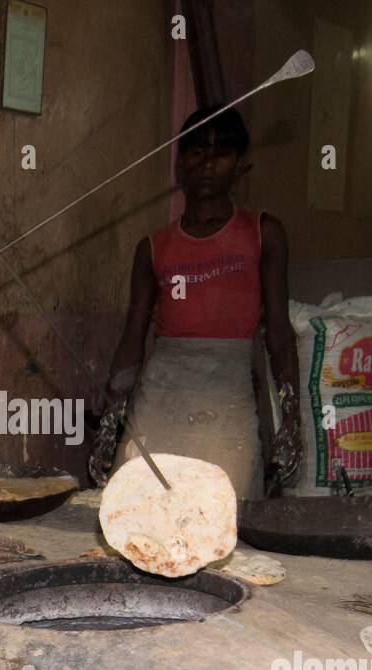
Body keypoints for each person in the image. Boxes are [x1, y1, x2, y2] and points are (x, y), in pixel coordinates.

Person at [95, 105, 301, 499]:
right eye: (196, 152)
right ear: (180, 164)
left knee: (222, 508)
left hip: (227, 397)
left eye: (220, 153)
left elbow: (278, 333)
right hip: (162, 392)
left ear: (240, 164)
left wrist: (291, 422)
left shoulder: (263, 233)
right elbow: (132, 340)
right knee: (136, 503)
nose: (207, 164)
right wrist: (111, 422)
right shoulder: (153, 248)